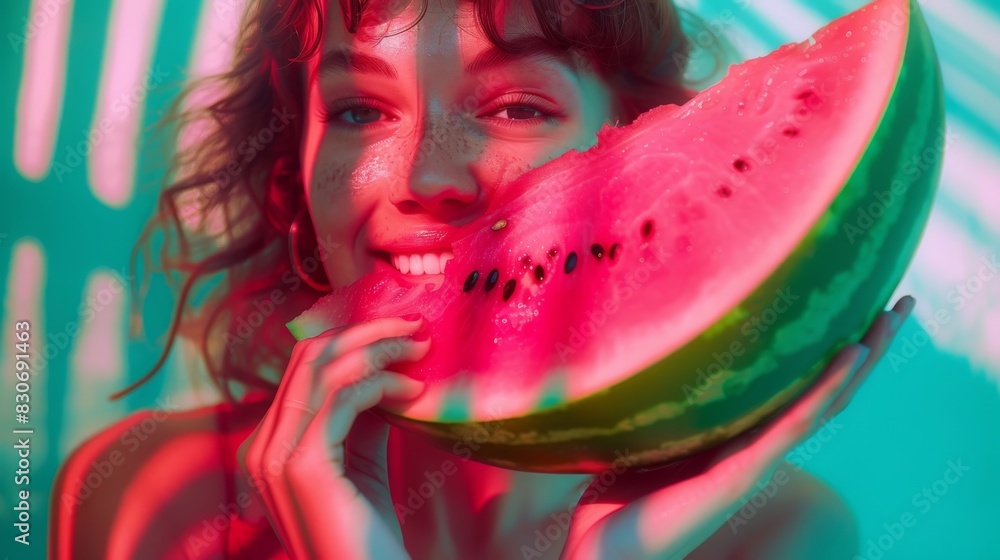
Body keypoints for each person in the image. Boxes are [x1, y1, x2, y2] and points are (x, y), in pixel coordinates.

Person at [50, 0, 915, 558]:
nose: (428, 177)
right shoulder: (140, 499)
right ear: (295, 178)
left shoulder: (772, 538)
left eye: (514, 109)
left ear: (644, 155)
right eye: (360, 111)